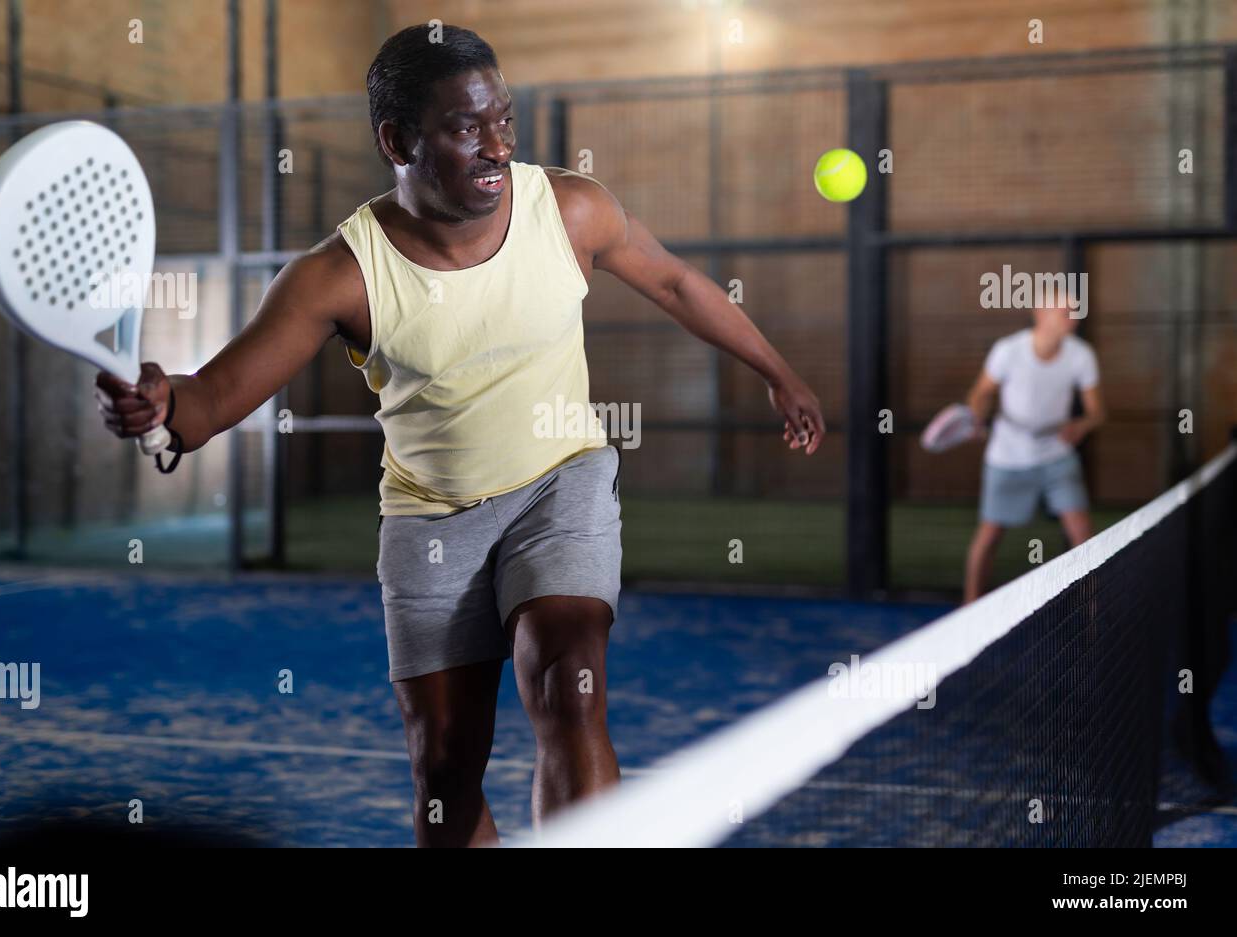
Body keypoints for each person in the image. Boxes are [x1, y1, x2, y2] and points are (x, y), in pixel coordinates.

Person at [95, 24, 825, 846]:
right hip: (430, 517)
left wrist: (777, 370)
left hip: (561, 480)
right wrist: (160, 407)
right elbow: (216, 396)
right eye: (465, 127)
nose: (496, 146)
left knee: (570, 680)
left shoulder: (571, 208)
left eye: (504, 120)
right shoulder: (340, 272)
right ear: (397, 140)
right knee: (446, 765)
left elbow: (678, 282)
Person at [962, 301, 1105, 603]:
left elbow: (1097, 412)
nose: (1073, 318)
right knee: (989, 534)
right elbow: (981, 393)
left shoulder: (1081, 355)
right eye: (1065, 311)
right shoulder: (1008, 350)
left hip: (1057, 455)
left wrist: (1082, 425)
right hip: (1007, 455)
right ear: (1041, 313)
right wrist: (976, 415)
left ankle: (1093, 613)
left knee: (1082, 533)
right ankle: (969, 608)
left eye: (1075, 311)